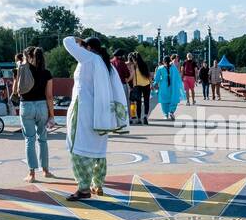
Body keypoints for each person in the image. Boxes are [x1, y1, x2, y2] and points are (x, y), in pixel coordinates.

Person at [63, 36, 129, 200]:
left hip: (84, 111)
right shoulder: (106, 63)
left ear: (88, 47)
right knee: (98, 150)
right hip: (101, 114)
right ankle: (97, 185)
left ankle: (83, 189)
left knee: (79, 148)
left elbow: (66, 41)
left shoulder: (88, 57)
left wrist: (78, 40)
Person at [18, 45, 58, 182]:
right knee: (43, 139)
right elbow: (49, 96)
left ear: (28, 57)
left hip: (26, 106)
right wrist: (52, 115)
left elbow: (18, 89)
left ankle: (31, 173)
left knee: (30, 139)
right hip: (42, 107)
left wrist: (24, 62)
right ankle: (46, 170)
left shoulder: (23, 70)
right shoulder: (46, 73)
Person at [155, 54, 185, 119]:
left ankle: (166, 114)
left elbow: (156, 79)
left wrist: (155, 84)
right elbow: (178, 78)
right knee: (174, 99)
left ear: (163, 62)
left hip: (163, 87)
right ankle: (171, 112)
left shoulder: (160, 68)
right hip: (173, 87)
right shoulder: (173, 68)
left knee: (164, 101)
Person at [129, 53, 152, 124]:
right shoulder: (144, 64)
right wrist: (151, 83)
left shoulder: (134, 66)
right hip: (146, 84)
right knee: (146, 101)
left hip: (137, 85)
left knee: (138, 102)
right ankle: (145, 116)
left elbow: (132, 74)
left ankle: (139, 118)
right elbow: (149, 75)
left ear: (134, 59)